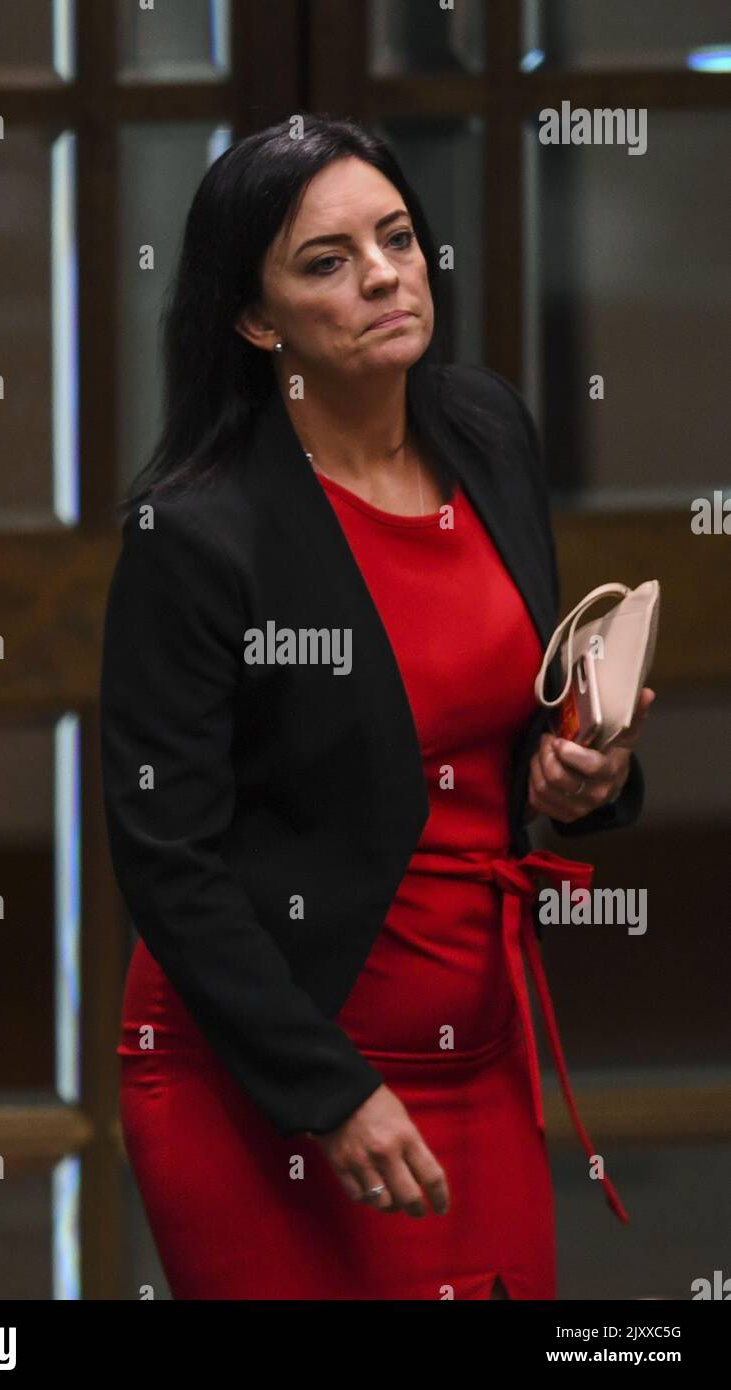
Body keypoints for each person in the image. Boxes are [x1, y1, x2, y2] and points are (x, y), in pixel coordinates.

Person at [100, 115, 653, 1301]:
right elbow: (166, 858)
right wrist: (327, 1092)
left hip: (477, 1052)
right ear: (255, 320)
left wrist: (583, 773)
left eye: (395, 237)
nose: (385, 274)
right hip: (264, 1081)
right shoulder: (196, 534)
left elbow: (511, 717)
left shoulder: (486, 429)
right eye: (325, 261)